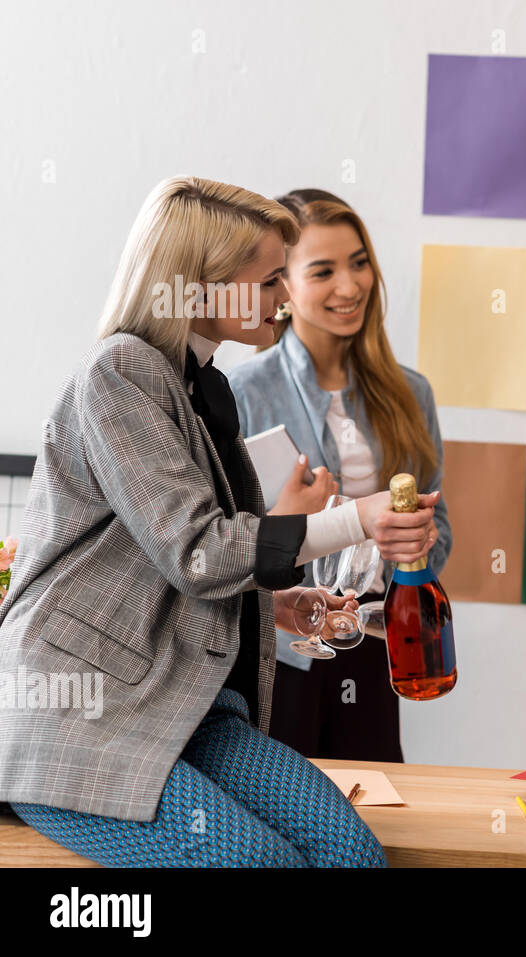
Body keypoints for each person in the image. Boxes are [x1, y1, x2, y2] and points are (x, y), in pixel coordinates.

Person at [0, 176, 440, 866]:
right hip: (83, 720)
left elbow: (195, 556)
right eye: (272, 281)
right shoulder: (118, 372)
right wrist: (357, 518)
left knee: (354, 854)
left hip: (185, 708)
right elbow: (197, 550)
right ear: (200, 286)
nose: (288, 299)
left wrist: (281, 601)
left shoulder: (201, 385)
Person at [226, 188, 451, 763]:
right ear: (283, 285)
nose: (349, 287)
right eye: (323, 270)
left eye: (359, 263)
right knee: (282, 823)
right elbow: (225, 545)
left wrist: (417, 543)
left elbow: (439, 528)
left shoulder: (410, 392)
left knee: (378, 820)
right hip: (283, 652)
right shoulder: (240, 392)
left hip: (376, 644)